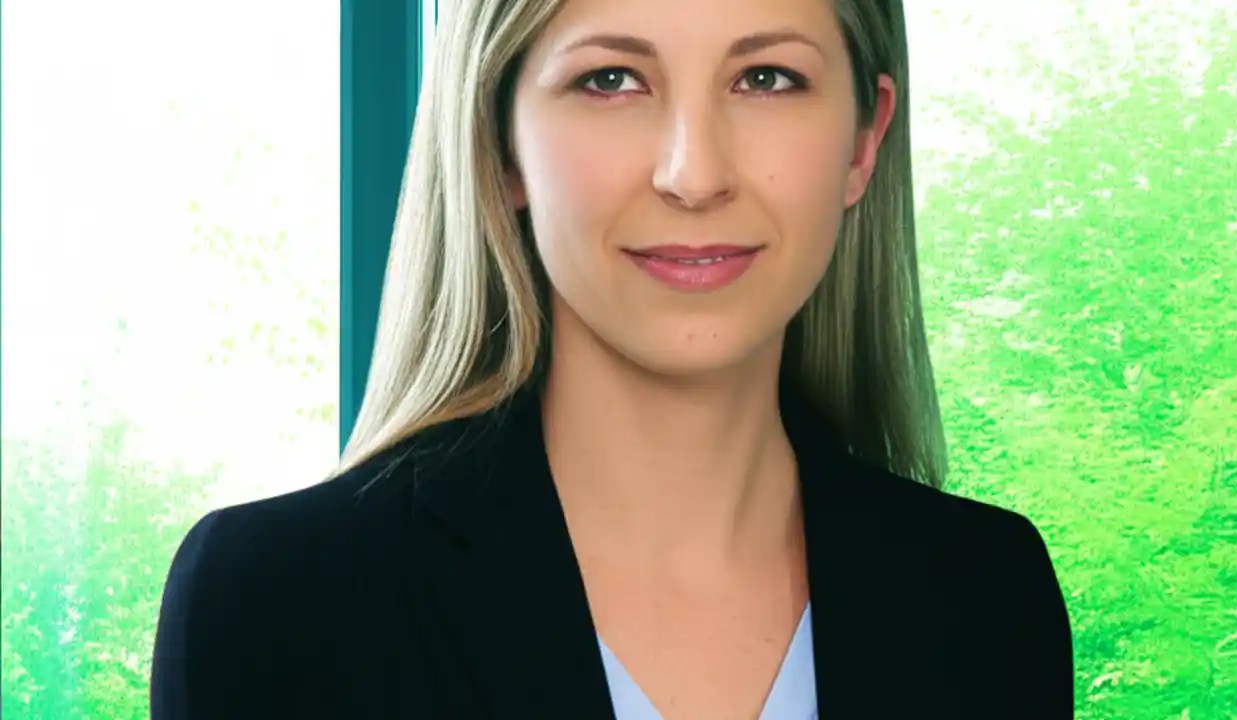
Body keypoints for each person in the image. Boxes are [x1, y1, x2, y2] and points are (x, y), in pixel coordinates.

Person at [150, 0, 1074, 717]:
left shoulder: (989, 599)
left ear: (865, 140)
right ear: (499, 141)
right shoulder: (277, 602)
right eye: (611, 81)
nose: (694, 174)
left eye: (766, 79)